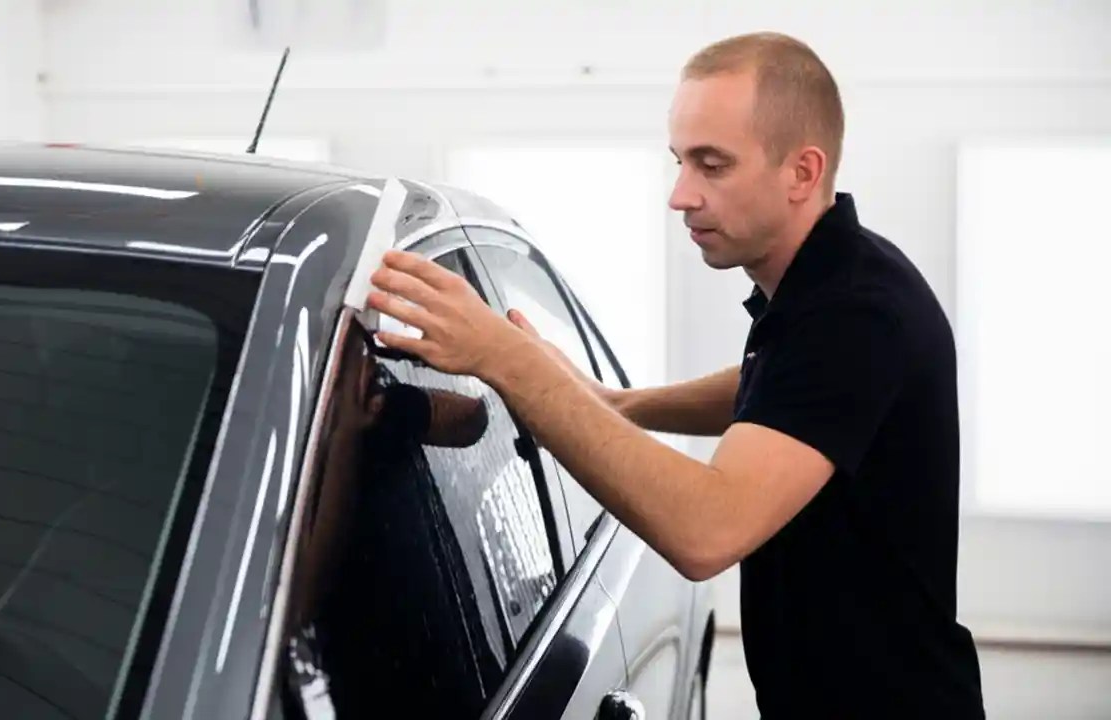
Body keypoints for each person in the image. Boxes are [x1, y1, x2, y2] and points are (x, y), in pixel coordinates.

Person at [364, 31, 986, 719]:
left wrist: (506, 360)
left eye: (711, 166)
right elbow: (774, 390)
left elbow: (705, 531)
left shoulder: (857, 314)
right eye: (679, 162)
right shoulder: (829, 290)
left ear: (802, 173)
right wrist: (614, 403)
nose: (680, 196)